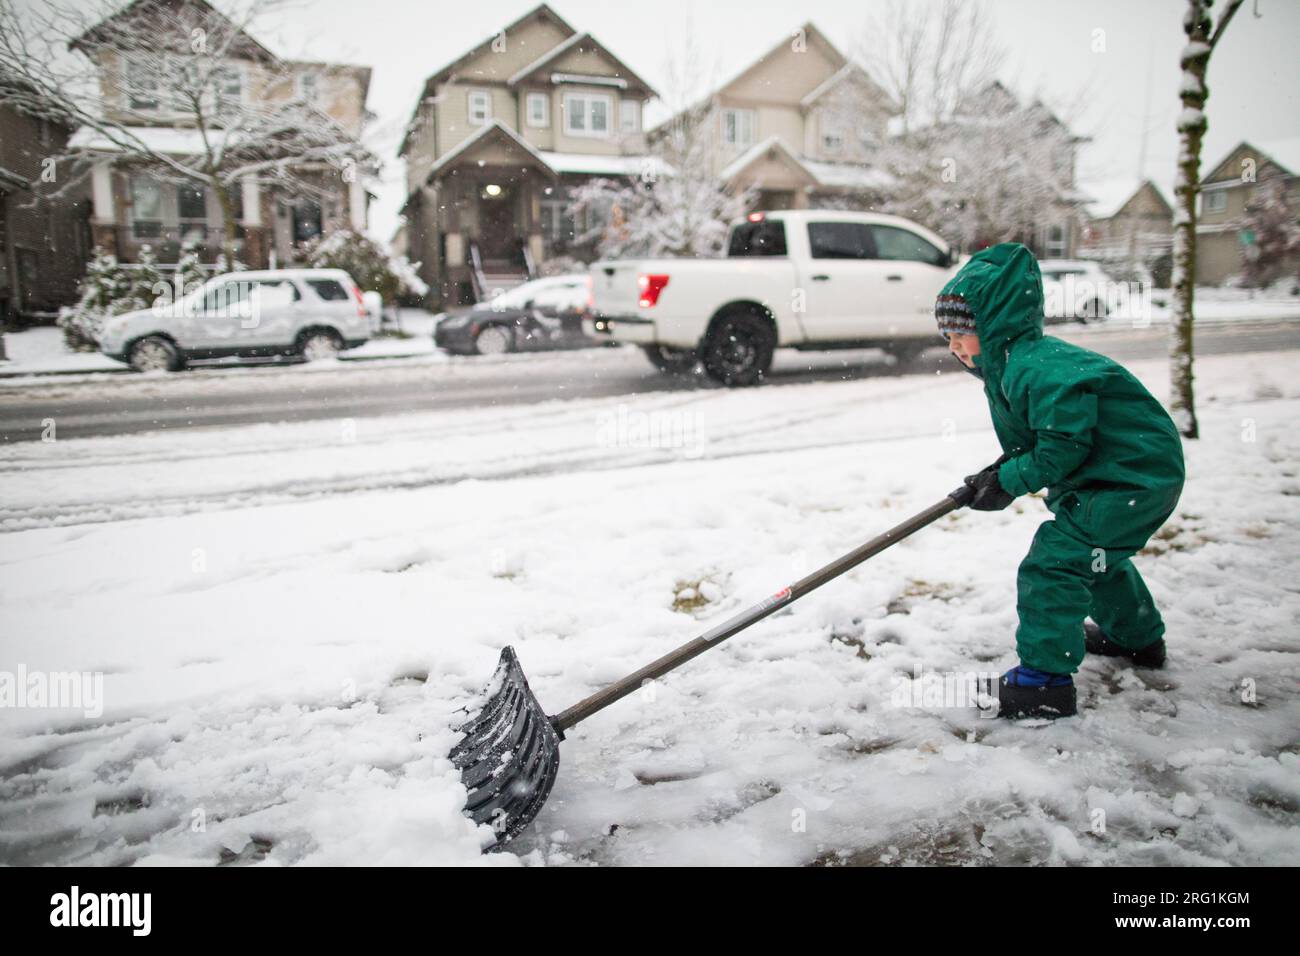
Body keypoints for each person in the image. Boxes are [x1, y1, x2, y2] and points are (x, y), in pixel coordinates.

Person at [936, 243, 1185, 719]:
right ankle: (1138, 640)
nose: (953, 347)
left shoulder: (1037, 368)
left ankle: (1043, 683)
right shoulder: (1014, 365)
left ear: (993, 327)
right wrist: (997, 475)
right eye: (947, 336)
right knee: (1094, 559)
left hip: (1128, 480)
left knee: (1053, 565)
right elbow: (1045, 440)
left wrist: (1009, 481)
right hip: (1121, 474)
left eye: (961, 334)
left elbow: (1062, 448)